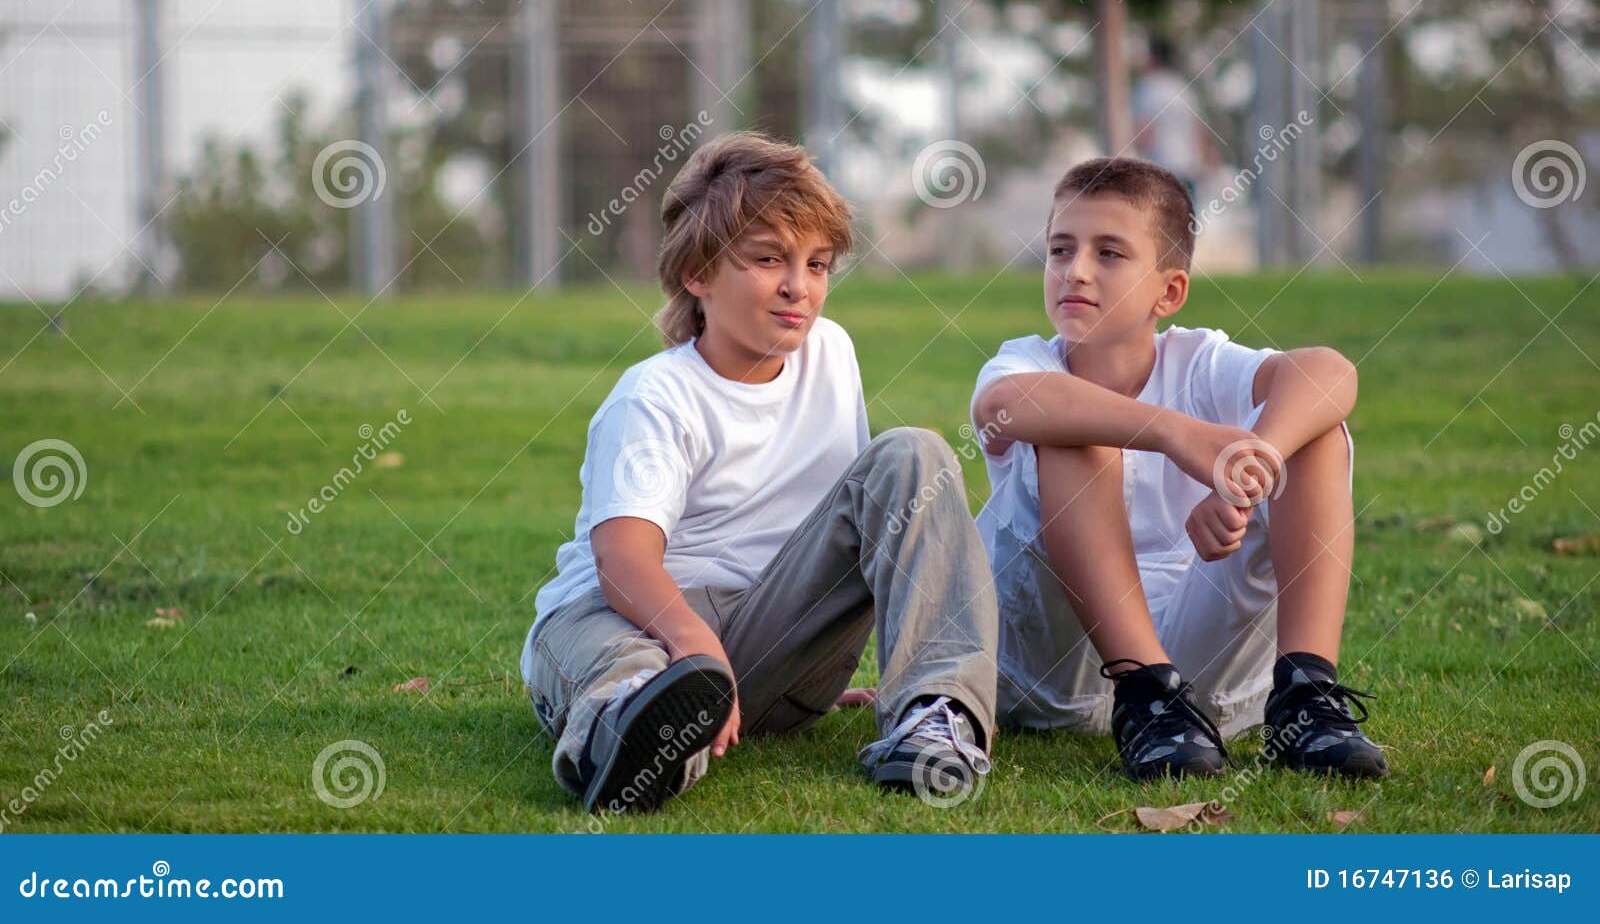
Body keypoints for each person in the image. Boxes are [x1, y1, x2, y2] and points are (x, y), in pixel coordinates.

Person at [522, 132, 999, 814]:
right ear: (698, 273)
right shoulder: (654, 395)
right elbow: (622, 559)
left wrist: (801, 660)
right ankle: (627, 733)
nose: (797, 287)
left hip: (755, 637)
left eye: (818, 263)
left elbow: (851, 530)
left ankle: (934, 712)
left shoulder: (831, 352)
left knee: (912, 454)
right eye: (768, 258)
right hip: (627, 617)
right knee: (631, 669)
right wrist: (696, 648)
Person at [969, 156, 1387, 781]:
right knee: (1070, 427)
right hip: (1050, 666)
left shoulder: (1199, 361)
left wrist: (1252, 465)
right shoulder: (1026, 363)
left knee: (1314, 430)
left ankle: (1307, 695)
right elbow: (1003, 405)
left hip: (1191, 667)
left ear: (1169, 291)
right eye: (1061, 249)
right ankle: (1145, 698)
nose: (1075, 271)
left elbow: (1329, 371)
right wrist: (1175, 434)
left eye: (1109, 253)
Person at [1131, 36, 1215, 200]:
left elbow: (1144, 132)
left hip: (1161, 168)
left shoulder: (1147, 87)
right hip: (1188, 168)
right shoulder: (1183, 88)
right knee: (1186, 222)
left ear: (1152, 58)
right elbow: (1198, 130)